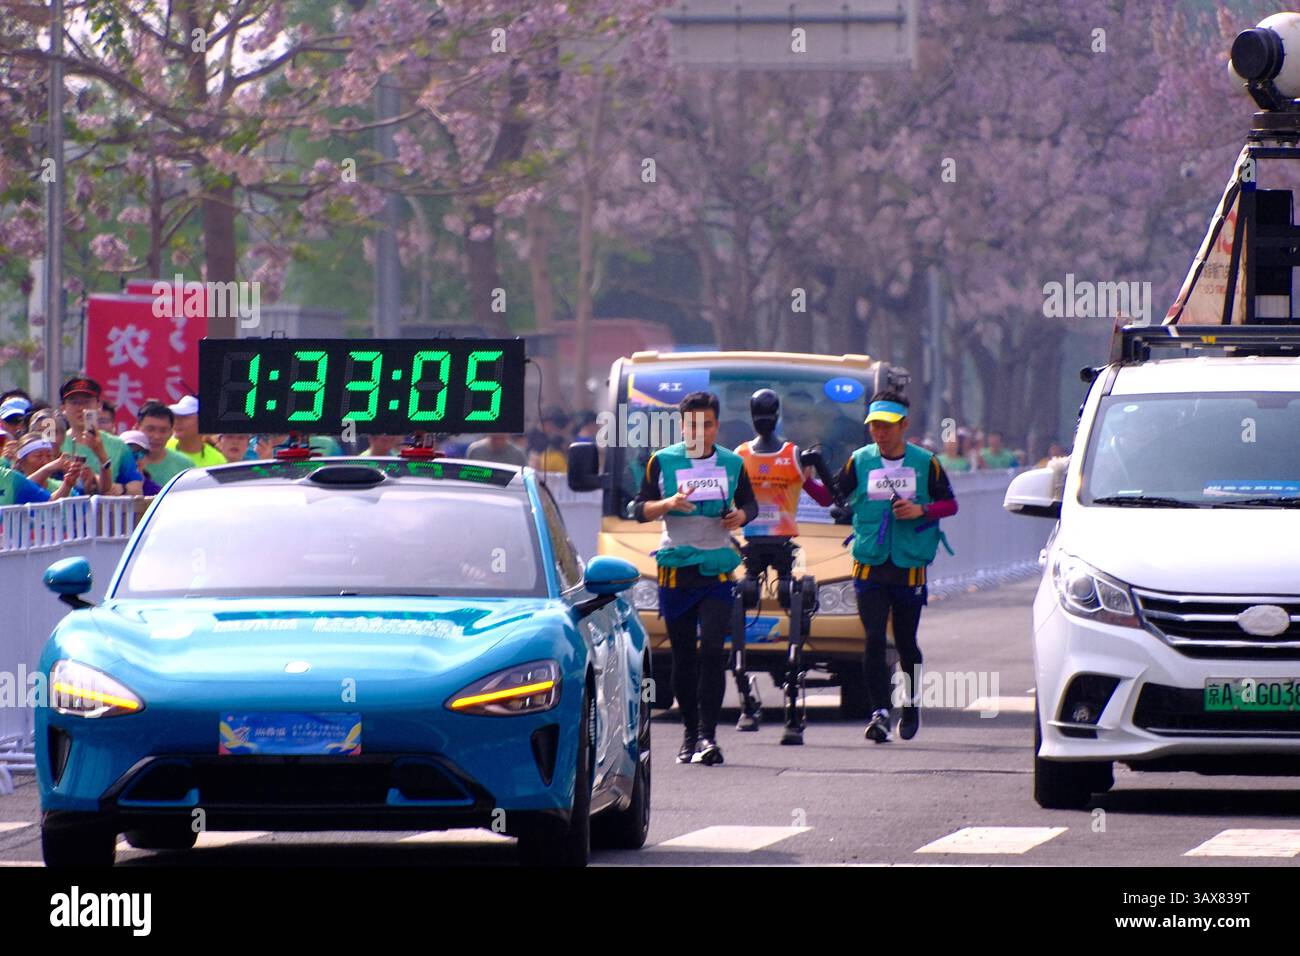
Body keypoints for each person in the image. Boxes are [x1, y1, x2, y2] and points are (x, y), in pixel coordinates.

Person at [633, 391, 757, 766]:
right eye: (692, 425)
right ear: (681, 426)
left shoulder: (733, 463)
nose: (699, 432)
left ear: (716, 426)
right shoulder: (662, 461)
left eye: (707, 425)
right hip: (676, 570)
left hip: (717, 570)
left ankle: (708, 735)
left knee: (713, 655)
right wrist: (667, 504)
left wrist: (742, 517)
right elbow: (638, 508)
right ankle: (689, 734)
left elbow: (750, 504)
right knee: (684, 658)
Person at [837, 390, 958, 744]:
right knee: (874, 637)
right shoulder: (859, 461)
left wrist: (921, 510)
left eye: (887, 425)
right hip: (869, 563)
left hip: (908, 565)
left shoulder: (926, 462)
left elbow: (950, 505)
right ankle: (878, 713)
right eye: (874, 425)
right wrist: (810, 477)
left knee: (906, 641)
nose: (879, 432)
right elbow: (834, 496)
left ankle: (912, 703)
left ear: (904, 424)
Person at [59, 375, 143, 495]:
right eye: (74, 402)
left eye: (87, 402)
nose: (81, 408)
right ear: (63, 408)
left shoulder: (117, 445)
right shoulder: (57, 444)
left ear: (98, 405)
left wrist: (121, 489)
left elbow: (137, 488)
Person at [136, 400, 194, 489]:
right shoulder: (126, 460)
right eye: (150, 429)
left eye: (163, 431)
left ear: (171, 432)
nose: (156, 436)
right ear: (137, 428)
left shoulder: (185, 465)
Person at [12, 433, 87, 500]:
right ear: (21, 462)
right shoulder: (11, 486)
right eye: (39, 456)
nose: (45, 461)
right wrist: (47, 469)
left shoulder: (61, 485)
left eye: (49, 456)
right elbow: (21, 489)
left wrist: (68, 484)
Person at [166, 395, 227, 467]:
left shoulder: (218, 461)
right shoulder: (163, 448)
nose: (177, 422)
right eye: (175, 416)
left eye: (184, 417)